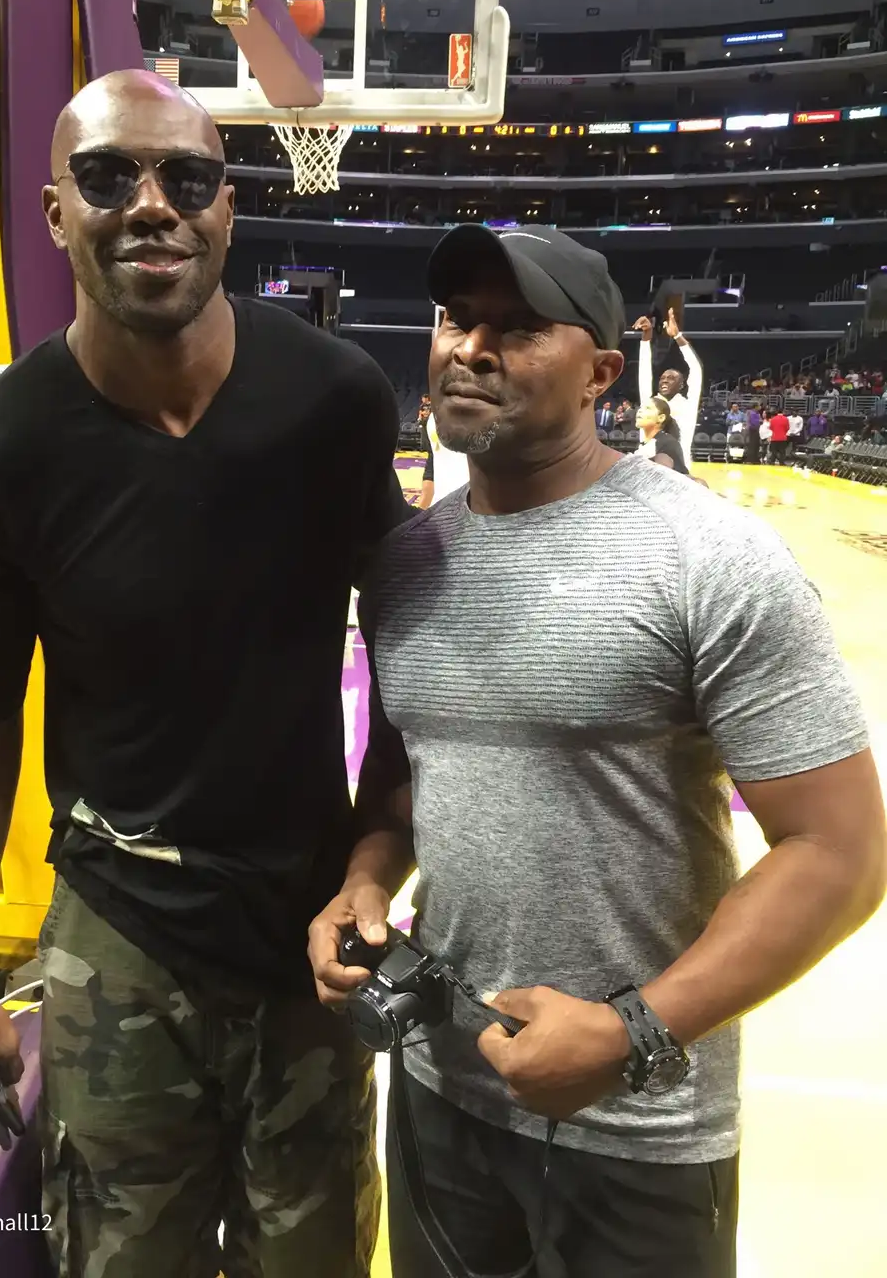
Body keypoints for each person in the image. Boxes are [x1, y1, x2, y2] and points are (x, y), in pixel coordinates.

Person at [307, 221, 886, 1278]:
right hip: (444, 1100)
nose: (470, 348)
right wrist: (363, 882)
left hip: (642, 1130)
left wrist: (636, 1034)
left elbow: (841, 856)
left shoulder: (709, 557)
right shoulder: (403, 565)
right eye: (456, 321)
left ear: (603, 375)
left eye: (518, 329)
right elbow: (396, 794)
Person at [0, 70, 409, 1278]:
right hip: (118, 923)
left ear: (227, 212)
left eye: (185, 179)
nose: (150, 206)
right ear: (52, 214)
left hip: (305, 930)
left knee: (320, 1261)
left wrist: (374, 860)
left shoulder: (333, 403)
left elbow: (416, 660)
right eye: (107, 177)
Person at [633, 308, 704, 473]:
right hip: (646, 465)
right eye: (663, 378)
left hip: (680, 469)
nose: (665, 380)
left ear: (681, 385)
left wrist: (678, 337)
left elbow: (696, 369)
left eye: (671, 378)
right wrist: (646, 337)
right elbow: (643, 373)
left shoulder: (688, 405)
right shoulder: (651, 403)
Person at [418, 403, 470, 510]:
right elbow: (432, 463)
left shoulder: (484, 416)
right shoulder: (432, 419)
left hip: (471, 513)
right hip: (441, 510)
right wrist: (421, 512)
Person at [635, 395, 688, 474]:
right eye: (641, 407)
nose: (640, 411)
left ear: (661, 418)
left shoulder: (669, 443)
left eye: (648, 408)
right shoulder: (645, 443)